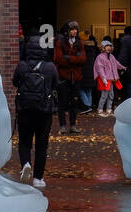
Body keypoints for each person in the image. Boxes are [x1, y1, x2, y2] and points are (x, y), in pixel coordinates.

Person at [12, 25, 58, 188]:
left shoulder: (22, 65)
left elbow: (15, 82)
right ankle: (38, 178)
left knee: (24, 140)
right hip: (44, 110)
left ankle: (25, 164)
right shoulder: (50, 67)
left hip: (25, 108)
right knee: (42, 143)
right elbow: (55, 84)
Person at [53, 20, 86, 134]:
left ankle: (72, 125)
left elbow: (83, 59)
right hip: (64, 77)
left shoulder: (79, 43)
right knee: (62, 102)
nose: (74, 31)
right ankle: (62, 126)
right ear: (67, 31)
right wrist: (75, 59)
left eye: (76, 29)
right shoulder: (60, 42)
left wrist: (69, 58)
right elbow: (59, 60)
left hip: (75, 77)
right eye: (72, 29)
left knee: (74, 101)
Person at [93, 38, 125, 115]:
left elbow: (116, 64)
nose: (108, 47)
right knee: (104, 95)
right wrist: (104, 78)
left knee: (111, 94)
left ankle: (109, 108)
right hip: (105, 79)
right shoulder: (100, 57)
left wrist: (123, 67)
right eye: (106, 46)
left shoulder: (112, 56)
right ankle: (100, 108)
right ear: (103, 48)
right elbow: (100, 69)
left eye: (110, 46)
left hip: (111, 79)